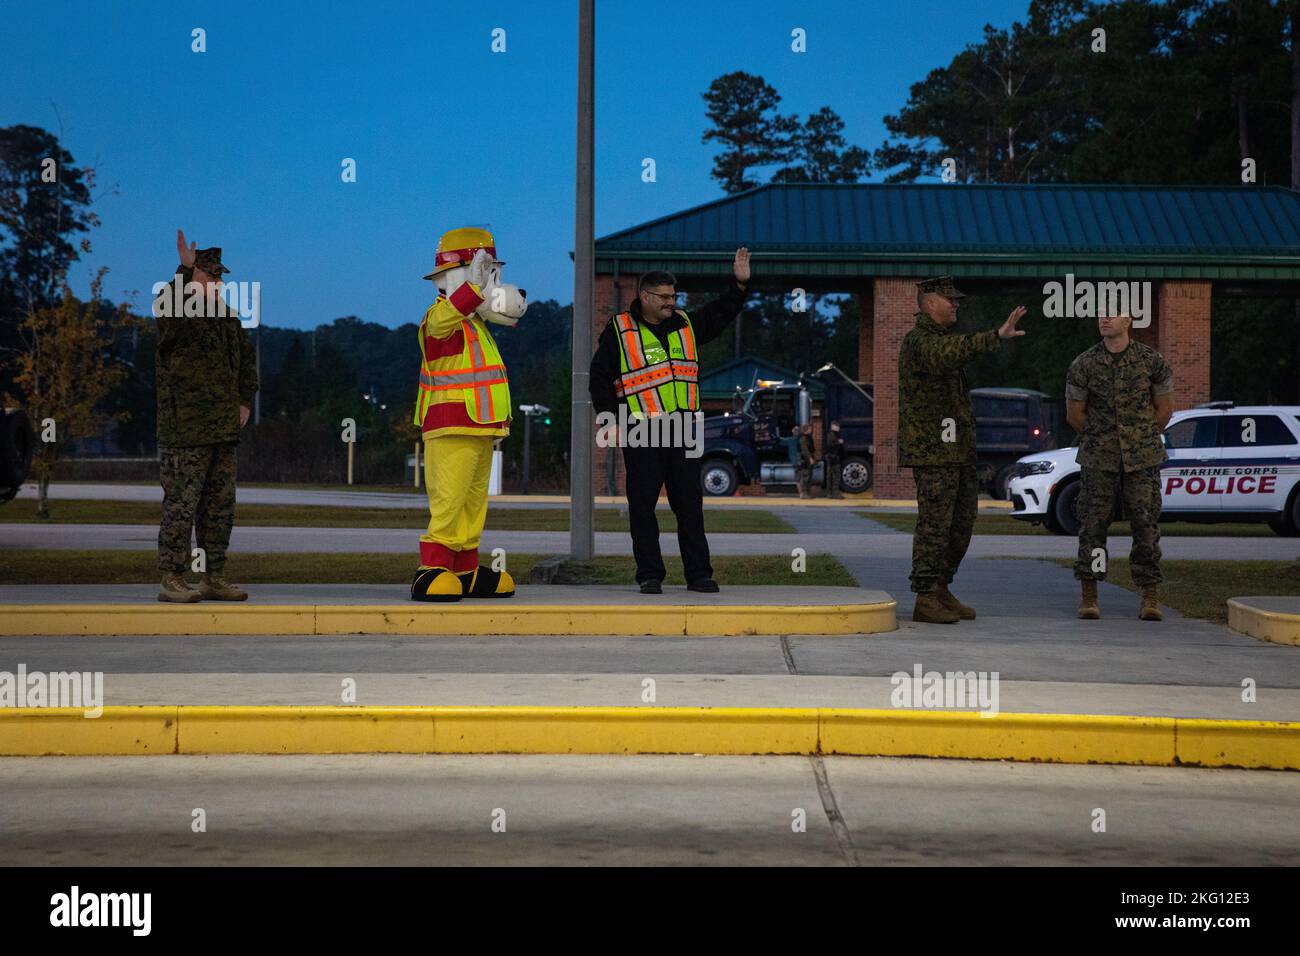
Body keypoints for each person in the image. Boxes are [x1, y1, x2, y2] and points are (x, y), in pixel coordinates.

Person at [589, 249, 750, 593]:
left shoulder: (687, 323)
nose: (671, 302)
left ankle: (699, 574)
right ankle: (650, 574)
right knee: (643, 507)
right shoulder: (620, 330)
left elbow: (720, 314)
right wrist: (611, 422)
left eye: (674, 296)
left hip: (683, 430)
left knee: (690, 505)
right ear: (644, 296)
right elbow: (599, 378)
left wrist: (739, 285)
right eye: (664, 297)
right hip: (641, 430)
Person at [899, 276, 1027, 624]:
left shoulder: (941, 340)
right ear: (929, 304)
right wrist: (994, 337)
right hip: (932, 453)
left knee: (961, 523)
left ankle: (941, 588)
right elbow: (948, 354)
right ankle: (925, 596)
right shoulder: (920, 342)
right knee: (935, 524)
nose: (956, 304)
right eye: (949, 299)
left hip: (957, 451)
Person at [153, 229, 257, 603]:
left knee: (219, 507)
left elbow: (246, 364)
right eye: (209, 275)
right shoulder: (176, 310)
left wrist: (245, 401)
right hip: (185, 430)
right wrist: (182, 272)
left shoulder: (227, 319)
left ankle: (214, 576)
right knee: (181, 504)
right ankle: (172, 577)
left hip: (222, 430)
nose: (217, 282)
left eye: (219, 277)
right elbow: (169, 316)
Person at [1065, 312, 1173, 621]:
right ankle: (1090, 595)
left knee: (1146, 527)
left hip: (1142, 460)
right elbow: (1075, 415)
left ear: (1129, 322)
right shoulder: (1084, 364)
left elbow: (1164, 410)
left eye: (1113, 315)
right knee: (1093, 528)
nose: (1104, 320)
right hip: (1100, 460)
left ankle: (1149, 597)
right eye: (1101, 315)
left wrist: (1136, 437)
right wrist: (1104, 440)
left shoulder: (1152, 362)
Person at [825, 420, 845, 498]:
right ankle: (835, 493)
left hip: (831, 457)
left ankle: (829, 493)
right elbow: (830, 444)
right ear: (833, 426)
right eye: (837, 426)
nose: (838, 428)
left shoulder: (831, 434)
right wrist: (838, 442)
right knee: (836, 476)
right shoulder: (832, 434)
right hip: (833, 457)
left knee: (829, 476)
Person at [796, 424, 815, 498]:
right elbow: (805, 450)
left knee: (808, 477)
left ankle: (806, 493)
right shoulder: (803, 438)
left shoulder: (807, 438)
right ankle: (803, 494)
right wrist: (810, 458)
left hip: (806, 460)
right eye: (810, 429)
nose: (811, 430)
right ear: (806, 430)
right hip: (804, 460)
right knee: (805, 477)